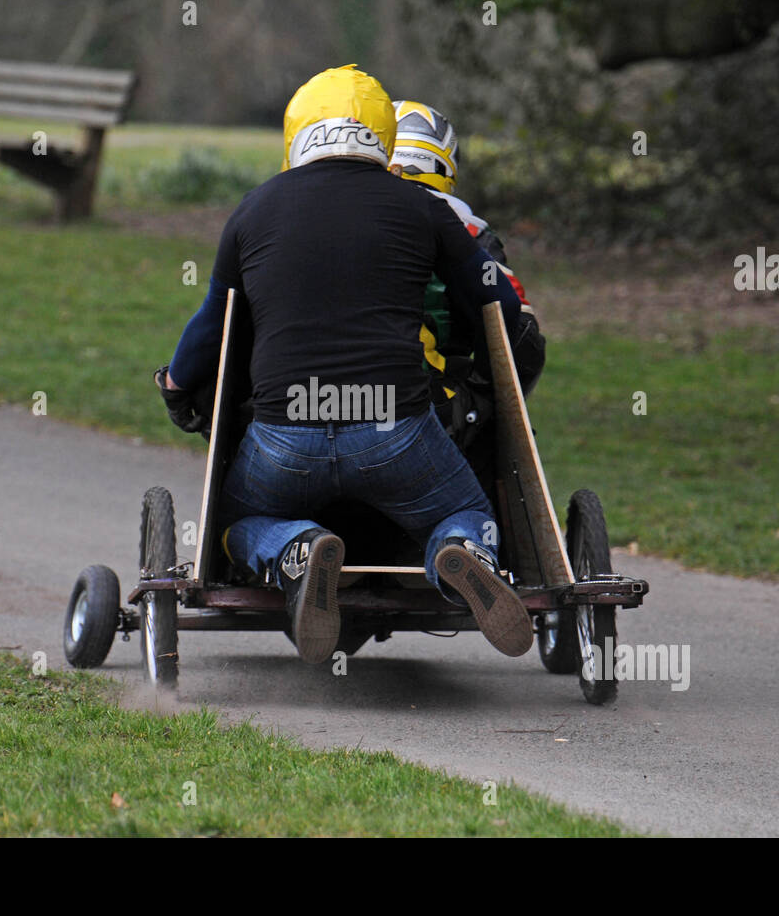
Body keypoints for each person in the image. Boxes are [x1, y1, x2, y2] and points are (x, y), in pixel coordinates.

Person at [155, 65, 534, 664]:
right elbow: (500, 302)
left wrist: (175, 383)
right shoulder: (420, 207)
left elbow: (212, 327)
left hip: (285, 438)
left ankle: (298, 550)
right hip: (396, 432)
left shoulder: (253, 211)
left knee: (235, 519)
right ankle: (461, 552)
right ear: (384, 136)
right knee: (464, 508)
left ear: (296, 129)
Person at [387, 100, 546, 452]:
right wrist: (482, 399)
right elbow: (522, 340)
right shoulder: (471, 230)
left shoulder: (321, 216)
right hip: (436, 409)